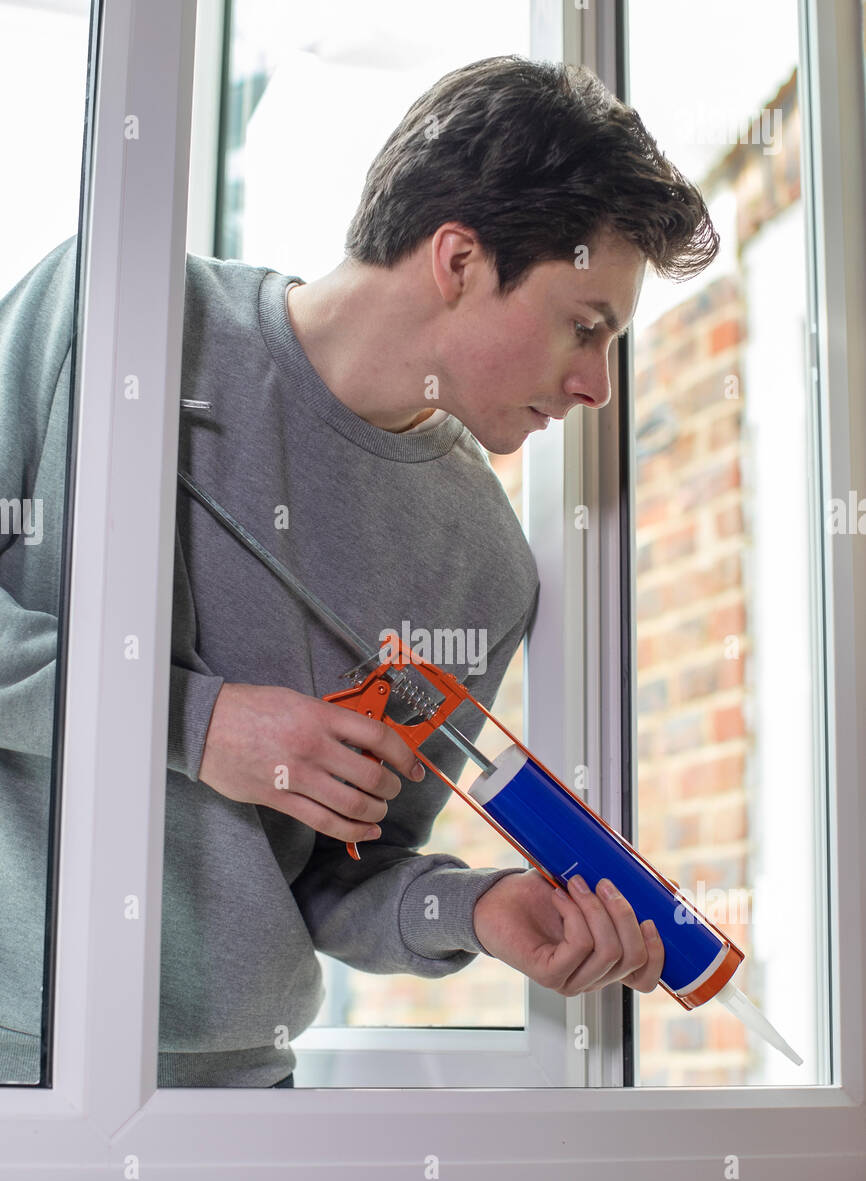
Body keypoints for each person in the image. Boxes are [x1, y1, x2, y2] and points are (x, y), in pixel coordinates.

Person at [0, 56, 718, 1087]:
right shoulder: (110, 317)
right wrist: (195, 723)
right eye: (584, 327)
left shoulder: (481, 562)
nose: (595, 386)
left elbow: (345, 875)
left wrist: (471, 910)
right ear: (459, 260)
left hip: (234, 1105)